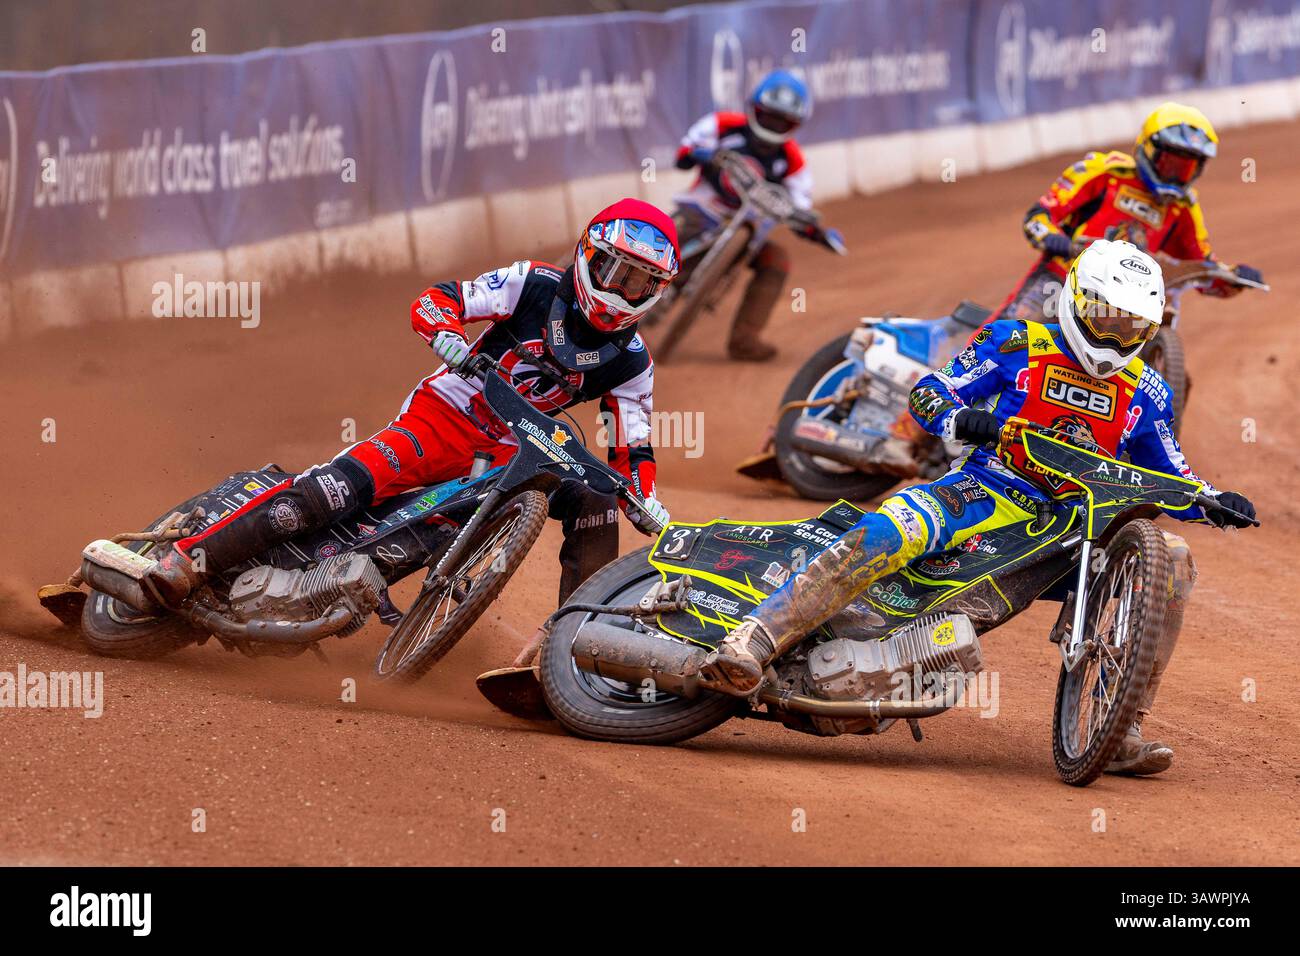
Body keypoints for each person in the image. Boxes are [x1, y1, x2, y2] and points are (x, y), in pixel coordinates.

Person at [699, 240, 1257, 776]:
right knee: (889, 532)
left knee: (1175, 563)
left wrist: (1215, 502)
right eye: (1105, 316)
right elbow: (929, 393)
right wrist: (957, 420)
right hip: (981, 491)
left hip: (1068, 533)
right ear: (1076, 300)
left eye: (1130, 326)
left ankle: (1123, 727)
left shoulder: (1149, 392)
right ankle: (753, 638)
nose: (1114, 334)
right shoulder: (1015, 342)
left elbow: (1173, 477)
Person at [140, 198, 678, 610]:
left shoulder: (633, 362)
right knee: (333, 492)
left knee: (593, 499)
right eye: (617, 272)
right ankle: (188, 560)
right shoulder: (533, 283)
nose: (624, 292)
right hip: (446, 415)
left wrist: (645, 501)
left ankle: (567, 644)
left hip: (521, 457)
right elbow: (440, 299)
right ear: (589, 256)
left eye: (641, 283)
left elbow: (633, 449)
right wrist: (445, 333)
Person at [995, 101, 1263, 322]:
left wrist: (1234, 277)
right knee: (1012, 336)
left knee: (1164, 315)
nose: (1176, 175)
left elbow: (1200, 268)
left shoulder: (1183, 207)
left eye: (1186, 168)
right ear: (1149, 149)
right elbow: (1038, 217)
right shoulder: (1105, 171)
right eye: (1171, 163)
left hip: (1128, 300)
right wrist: (1058, 241)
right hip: (1064, 278)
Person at [672, 69, 842, 361]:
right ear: (754, 109)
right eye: (769, 116)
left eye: (782, 120)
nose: (774, 125)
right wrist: (699, 154)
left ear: (795, 124)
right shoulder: (722, 124)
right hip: (700, 212)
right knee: (654, 243)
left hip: (748, 232)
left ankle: (745, 339)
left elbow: (800, 205)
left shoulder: (793, 159)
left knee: (776, 260)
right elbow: (683, 156)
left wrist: (814, 230)